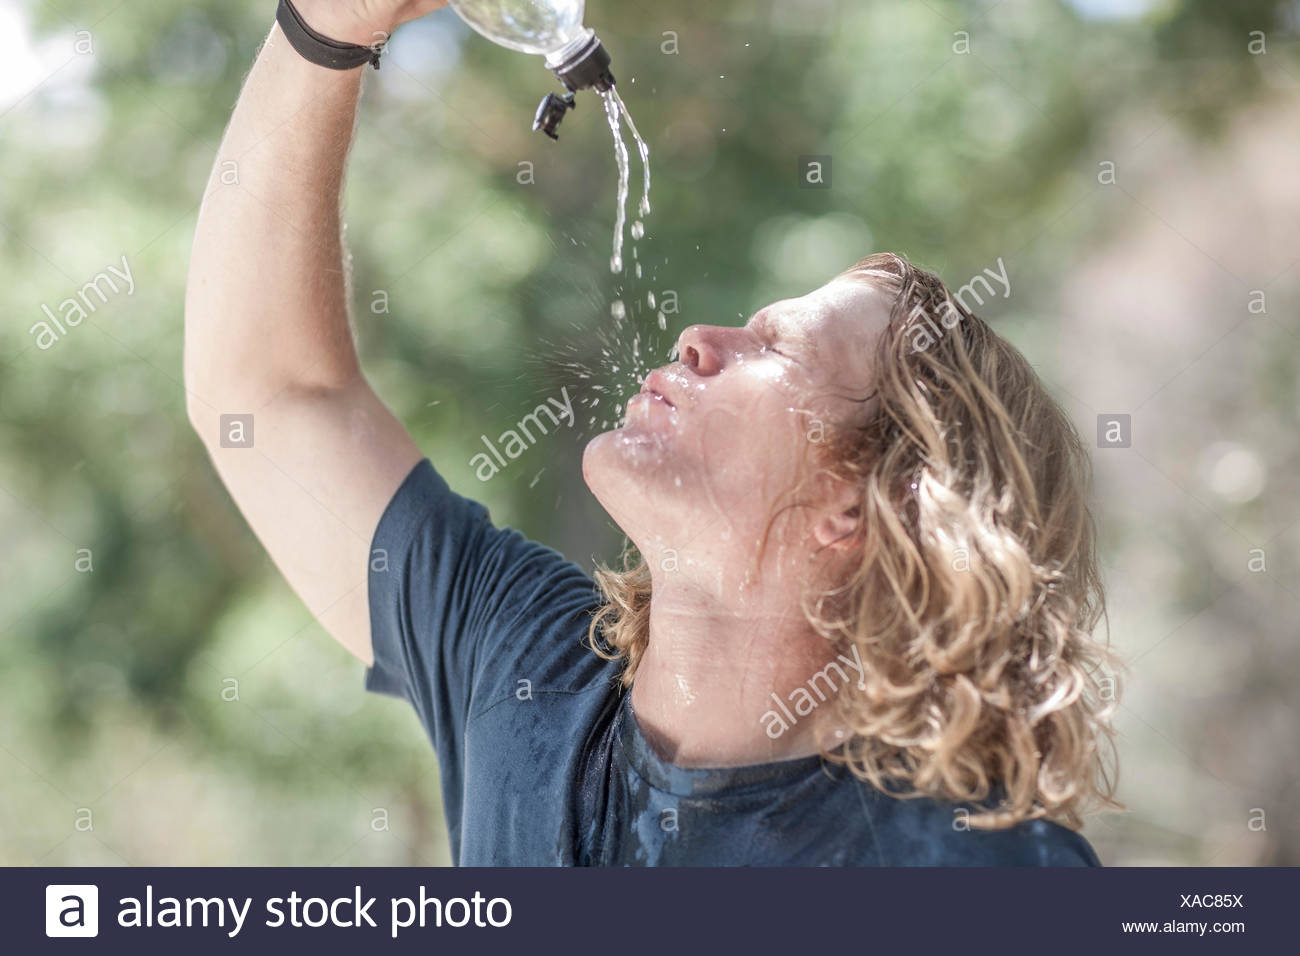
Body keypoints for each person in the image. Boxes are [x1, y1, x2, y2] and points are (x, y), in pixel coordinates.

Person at [184, 0, 1120, 865]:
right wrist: (327, 25)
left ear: (865, 500)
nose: (700, 338)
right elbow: (268, 394)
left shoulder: (975, 870)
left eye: (776, 345)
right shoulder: (526, 672)